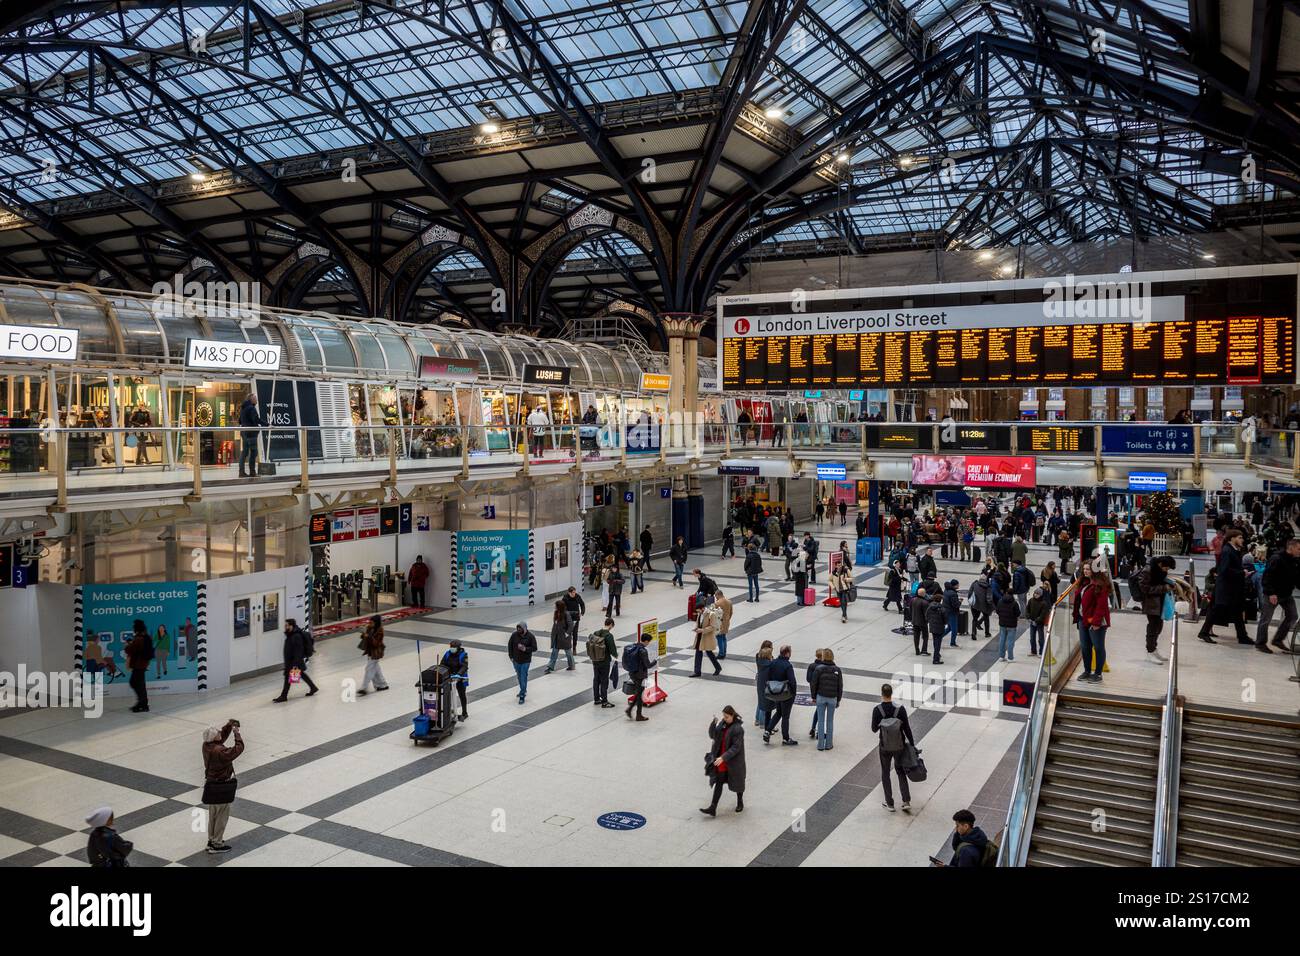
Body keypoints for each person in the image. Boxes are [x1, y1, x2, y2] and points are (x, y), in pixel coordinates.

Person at [1197, 529, 1251, 646]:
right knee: (1217, 610)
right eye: (1240, 537)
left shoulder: (1234, 550)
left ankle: (1242, 636)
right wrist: (1242, 573)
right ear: (1232, 538)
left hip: (1232, 587)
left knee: (1237, 611)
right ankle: (1204, 632)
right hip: (1226, 588)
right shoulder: (1227, 551)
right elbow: (1224, 570)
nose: (1242, 540)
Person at [201, 719, 244, 854]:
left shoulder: (206, 746)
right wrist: (237, 733)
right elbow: (238, 749)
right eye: (218, 733)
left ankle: (211, 840)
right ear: (214, 737)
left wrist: (229, 726)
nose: (221, 733)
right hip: (221, 786)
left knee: (213, 815)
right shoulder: (220, 751)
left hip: (211, 785)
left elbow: (220, 739)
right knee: (221, 816)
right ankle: (217, 844)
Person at [872, 684, 915, 812]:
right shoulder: (900, 709)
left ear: (882, 694)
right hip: (899, 745)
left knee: (885, 773)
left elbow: (874, 729)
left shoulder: (877, 710)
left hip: (884, 746)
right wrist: (912, 744)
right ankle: (906, 800)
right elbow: (906, 728)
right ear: (891, 694)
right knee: (900, 771)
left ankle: (889, 803)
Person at [1256, 537, 1300, 653]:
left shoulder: (1295, 560)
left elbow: (1296, 577)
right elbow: (1267, 577)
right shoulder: (1277, 558)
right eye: (1299, 549)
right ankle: (1260, 643)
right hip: (1273, 593)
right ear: (1291, 547)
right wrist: (1271, 593)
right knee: (1266, 618)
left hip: (1286, 594)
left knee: (1293, 616)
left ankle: (1278, 639)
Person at [701, 706, 746, 815]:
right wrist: (713, 724)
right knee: (719, 782)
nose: (724, 718)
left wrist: (723, 757)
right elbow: (713, 736)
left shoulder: (738, 729)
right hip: (721, 759)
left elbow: (736, 747)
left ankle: (740, 802)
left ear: (732, 715)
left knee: (738, 783)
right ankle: (713, 807)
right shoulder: (723, 723)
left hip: (732, 761)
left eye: (726, 717)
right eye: (723, 716)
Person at [1078, 569, 1113, 683]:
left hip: (1095, 621)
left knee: (1098, 647)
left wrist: (1096, 622)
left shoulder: (1100, 585)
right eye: (1084, 569)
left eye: (1088, 569)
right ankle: (1087, 671)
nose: (1085, 571)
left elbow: (1102, 606)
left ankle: (1098, 674)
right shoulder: (1086, 582)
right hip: (1084, 620)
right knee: (1085, 647)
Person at [273, 618, 318, 701]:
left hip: (294, 662)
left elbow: (298, 651)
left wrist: (295, 664)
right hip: (292, 661)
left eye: (286, 625)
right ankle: (313, 687)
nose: (285, 627)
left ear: (291, 626)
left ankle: (284, 696)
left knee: (288, 678)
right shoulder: (291, 634)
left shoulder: (296, 636)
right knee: (300, 675)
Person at [762, 644, 798, 746]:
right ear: (787, 653)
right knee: (785, 716)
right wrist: (794, 693)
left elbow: (768, 676)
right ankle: (786, 738)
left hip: (775, 693)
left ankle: (767, 731)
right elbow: (792, 682)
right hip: (786, 694)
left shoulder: (773, 662)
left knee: (778, 712)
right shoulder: (788, 665)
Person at [809, 648, 843, 751]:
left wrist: (813, 697)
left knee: (820, 720)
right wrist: (838, 700)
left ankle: (820, 745)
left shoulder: (819, 669)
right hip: (832, 698)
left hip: (821, 697)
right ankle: (829, 744)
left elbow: (814, 684)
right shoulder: (837, 670)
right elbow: (840, 686)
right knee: (830, 721)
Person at [586, 618, 617, 708]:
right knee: (604, 680)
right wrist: (616, 655)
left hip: (595, 660)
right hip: (604, 661)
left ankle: (596, 699)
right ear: (611, 624)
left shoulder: (596, 633)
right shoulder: (608, 636)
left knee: (596, 679)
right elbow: (612, 650)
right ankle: (604, 701)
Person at [622, 631, 653, 721]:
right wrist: (655, 661)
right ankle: (638, 715)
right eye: (649, 642)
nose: (648, 643)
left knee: (638, 692)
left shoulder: (634, 646)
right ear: (646, 641)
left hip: (632, 673)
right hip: (640, 675)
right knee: (639, 695)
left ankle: (630, 709)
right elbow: (648, 665)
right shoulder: (643, 651)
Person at [356, 614, 390, 695]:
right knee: (376, 669)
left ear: (376, 623)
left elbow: (376, 643)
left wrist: (368, 637)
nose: (370, 624)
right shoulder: (369, 628)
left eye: (372, 622)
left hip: (376, 653)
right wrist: (363, 634)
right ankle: (382, 685)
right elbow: (363, 637)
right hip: (370, 651)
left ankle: (363, 688)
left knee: (369, 669)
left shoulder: (380, 631)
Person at [125, 619, 152, 713]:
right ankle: (143, 704)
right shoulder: (145, 637)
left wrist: (127, 644)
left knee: (134, 683)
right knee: (140, 684)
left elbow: (129, 650)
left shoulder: (138, 639)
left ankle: (142, 704)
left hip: (138, 665)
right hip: (143, 664)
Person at [507, 622, 537, 704]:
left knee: (523, 676)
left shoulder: (530, 636)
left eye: (520, 628)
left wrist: (525, 649)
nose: (518, 630)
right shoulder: (514, 635)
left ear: (524, 628)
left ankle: (522, 695)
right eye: (517, 628)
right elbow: (510, 645)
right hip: (516, 660)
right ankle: (523, 689)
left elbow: (534, 648)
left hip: (526, 661)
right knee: (519, 676)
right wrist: (511, 656)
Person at [691, 601, 723, 677]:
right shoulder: (700, 614)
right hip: (700, 636)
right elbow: (698, 623)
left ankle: (718, 667)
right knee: (698, 652)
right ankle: (697, 672)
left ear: (702, 608)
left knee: (709, 653)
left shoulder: (711, 614)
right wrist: (696, 628)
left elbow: (713, 626)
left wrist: (702, 630)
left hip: (707, 637)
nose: (698, 612)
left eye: (698, 610)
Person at [440, 639, 469, 720]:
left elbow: (464, 666)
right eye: (451, 647)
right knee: (447, 694)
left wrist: (458, 674)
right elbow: (442, 664)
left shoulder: (463, 654)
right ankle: (449, 711)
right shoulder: (447, 654)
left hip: (461, 677)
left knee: (462, 694)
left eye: (454, 647)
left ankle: (464, 712)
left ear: (459, 647)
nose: (452, 648)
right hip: (450, 676)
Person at [238, 391, 263, 478]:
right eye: (255, 398)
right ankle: (252, 472)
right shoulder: (251, 408)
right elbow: (256, 420)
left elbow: (240, 421)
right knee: (254, 452)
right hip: (251, 433)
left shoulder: (243, 408)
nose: (257, 400)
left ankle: (241, 472)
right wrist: (267, 424)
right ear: (251, 399)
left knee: (244, 452)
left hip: (244, 432)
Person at [546, 600, 575, 672]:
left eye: (556, 605)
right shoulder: (556, 613)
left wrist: (566, 634)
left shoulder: (566, 614)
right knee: (554, 652)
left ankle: (571, 665)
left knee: (568, 652)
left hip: (564, 637)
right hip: (556, 636)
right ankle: (550, 666)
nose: (554, 607)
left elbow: (571, 625)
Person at [995, 588, 1020, 662]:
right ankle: (1010, 657)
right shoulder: (1014, 603)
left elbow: (997, 611)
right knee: (1010, 641)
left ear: (1006, 592)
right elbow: (1018, 613)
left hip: (1002, 623)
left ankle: (1001, 656)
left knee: (1002, 640)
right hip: (1012, 624)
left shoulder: (1000, 601)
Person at [754, 640, 774, 728]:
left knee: (760, 699)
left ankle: (757, 719)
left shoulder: (758, 656)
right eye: (771, 647)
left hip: (759, 678)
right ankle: (762, 722)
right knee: (765, 701)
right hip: (765, 681)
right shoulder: (769, 662)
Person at [1025, 586, 1050, 657]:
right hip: (1032, 622)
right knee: (1032, 638)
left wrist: (1036, 620)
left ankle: (1041, 652)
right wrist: (1028, 617)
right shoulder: (1031, 601)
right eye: (1035, 593)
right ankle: (1033, 651)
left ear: (1041, 595)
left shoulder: (1043, 603)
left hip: (1039, 623)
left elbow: (1043, 615)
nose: (1036, 595)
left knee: (1041, 639)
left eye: (1037, 594)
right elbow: (1027, 610)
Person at [925, 589, 947, 664]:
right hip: (940, 627)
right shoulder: (942, 609)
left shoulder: (930, 606)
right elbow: (945, 619)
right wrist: (944, 623)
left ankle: (937, 655)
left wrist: (930, 621)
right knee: (938, 643)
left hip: (932, 626)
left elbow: (926, 615)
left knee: (935, 641)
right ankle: (936, 659)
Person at [942, 578, 962, 648]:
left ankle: (940, 636)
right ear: (955, 585)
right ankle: (952, 643)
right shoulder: (953, 593)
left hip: (946, 611)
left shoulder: (946, 590)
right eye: (958, 584)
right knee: (954, 629)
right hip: (952, 612)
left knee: (949, 627)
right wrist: (960, 602)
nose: (959, 585)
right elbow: (955, 605)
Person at [714, 590, 733, 659]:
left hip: (719, 623)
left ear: (718, 595)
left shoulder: (717, 603)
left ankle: (721, 653)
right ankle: (724, 652)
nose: (716, 598)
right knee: (724, 637)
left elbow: (713, 614)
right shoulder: (729, 602)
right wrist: (727, 619)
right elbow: (731, 612)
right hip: (726, 622)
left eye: (716, 596)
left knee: (719, 638)